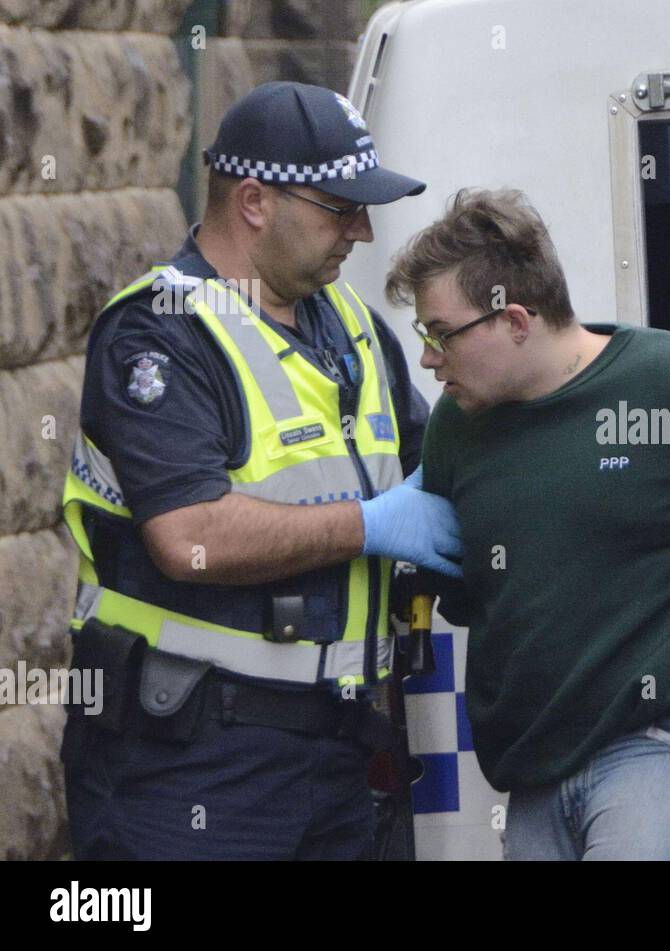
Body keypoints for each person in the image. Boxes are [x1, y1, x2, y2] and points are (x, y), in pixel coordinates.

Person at [60, 82, 463, 860]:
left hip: (338, 751)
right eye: (340, 208)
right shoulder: (158, 333)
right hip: (190, 759)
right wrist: (370, 525)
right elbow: (187, 536)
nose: (362, 230)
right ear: (253, 200)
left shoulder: (348, 322)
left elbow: (433, 458)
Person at [387, 188, 670, 860]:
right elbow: (475, 592)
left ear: (514, 319)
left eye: (439, 334)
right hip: (536, 776)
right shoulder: (457, 430)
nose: (429, 359)